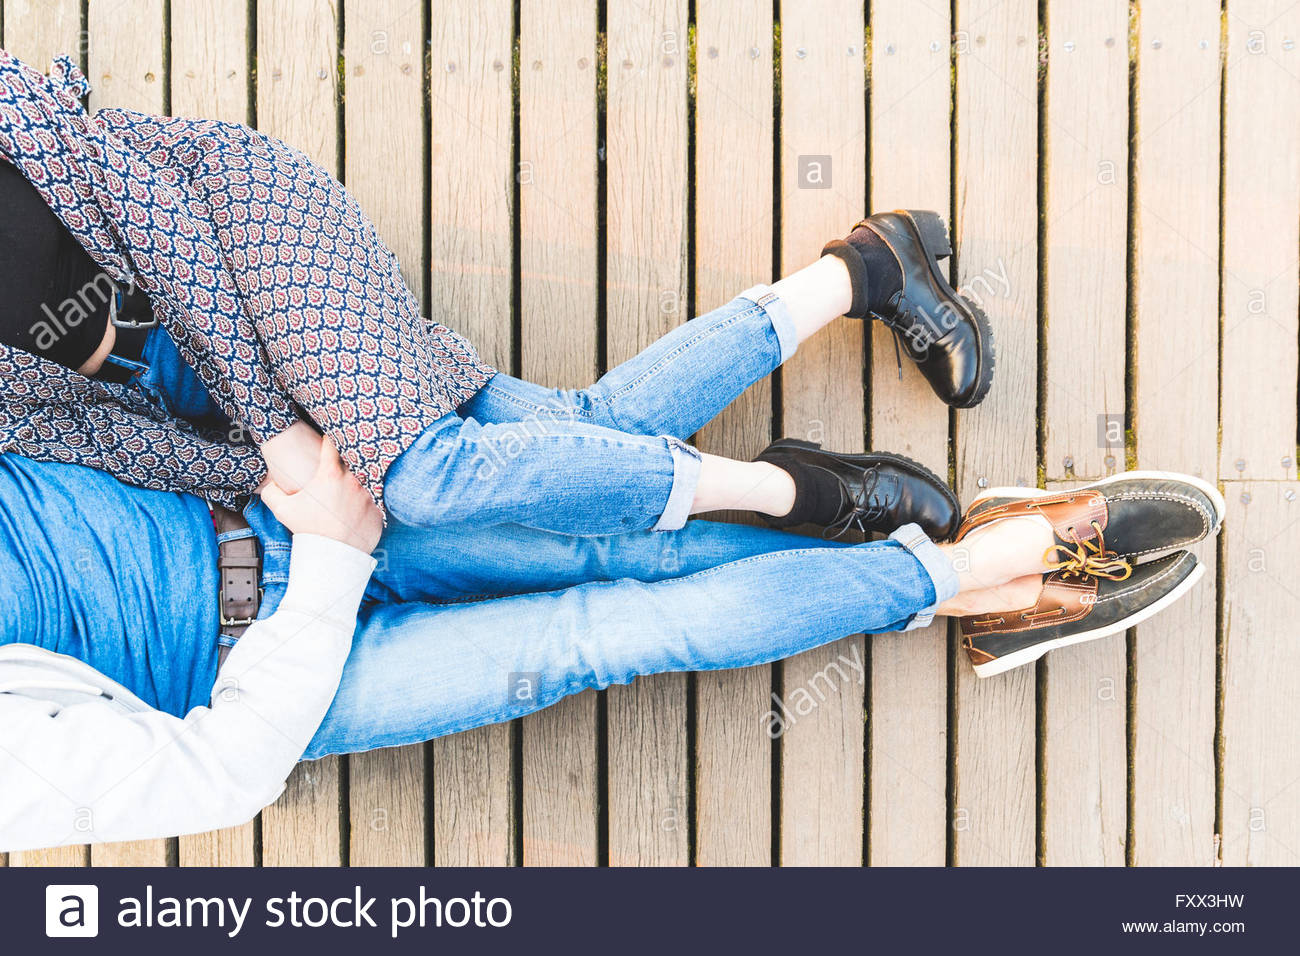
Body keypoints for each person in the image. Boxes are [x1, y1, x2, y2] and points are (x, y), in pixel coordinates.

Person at [0, 440, 1221, 851]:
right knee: (613, 626)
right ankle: (984, 568)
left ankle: (963, 595)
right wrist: (328, 553)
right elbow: (221, 775)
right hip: (275, 668)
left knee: (620, 556)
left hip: (259, 493)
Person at [0, 50, 983, 545]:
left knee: (426, 480)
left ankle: (796, 492)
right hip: (185, 381)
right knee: (582, 426)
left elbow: (161, 230)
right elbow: (70, 429)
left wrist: (268, 429)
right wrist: (245, 474)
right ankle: (865, 268)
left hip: (242, 239)